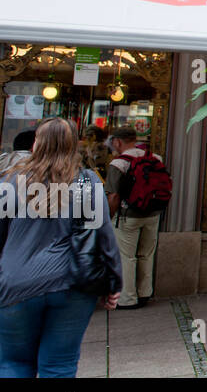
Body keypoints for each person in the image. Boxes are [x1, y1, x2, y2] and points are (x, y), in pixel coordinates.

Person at [0, 118, 122, 377]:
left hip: (16, 282)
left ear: (36, 144)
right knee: (60, 366)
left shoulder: (11, 181)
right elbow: (104, 235)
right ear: (73, 146)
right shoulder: (86, 182)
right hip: (73, 283)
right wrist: (114, 282)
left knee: (13, 363)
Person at [105, 128, 169, 309]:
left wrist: (110, 216)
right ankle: (144, 293)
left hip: (128, 215)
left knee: (126, 257)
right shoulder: (155, 158)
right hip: (153, 214)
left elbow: (114, 196)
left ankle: (127, 298)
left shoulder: (118, 163)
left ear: (118, 142)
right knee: (146, 254)